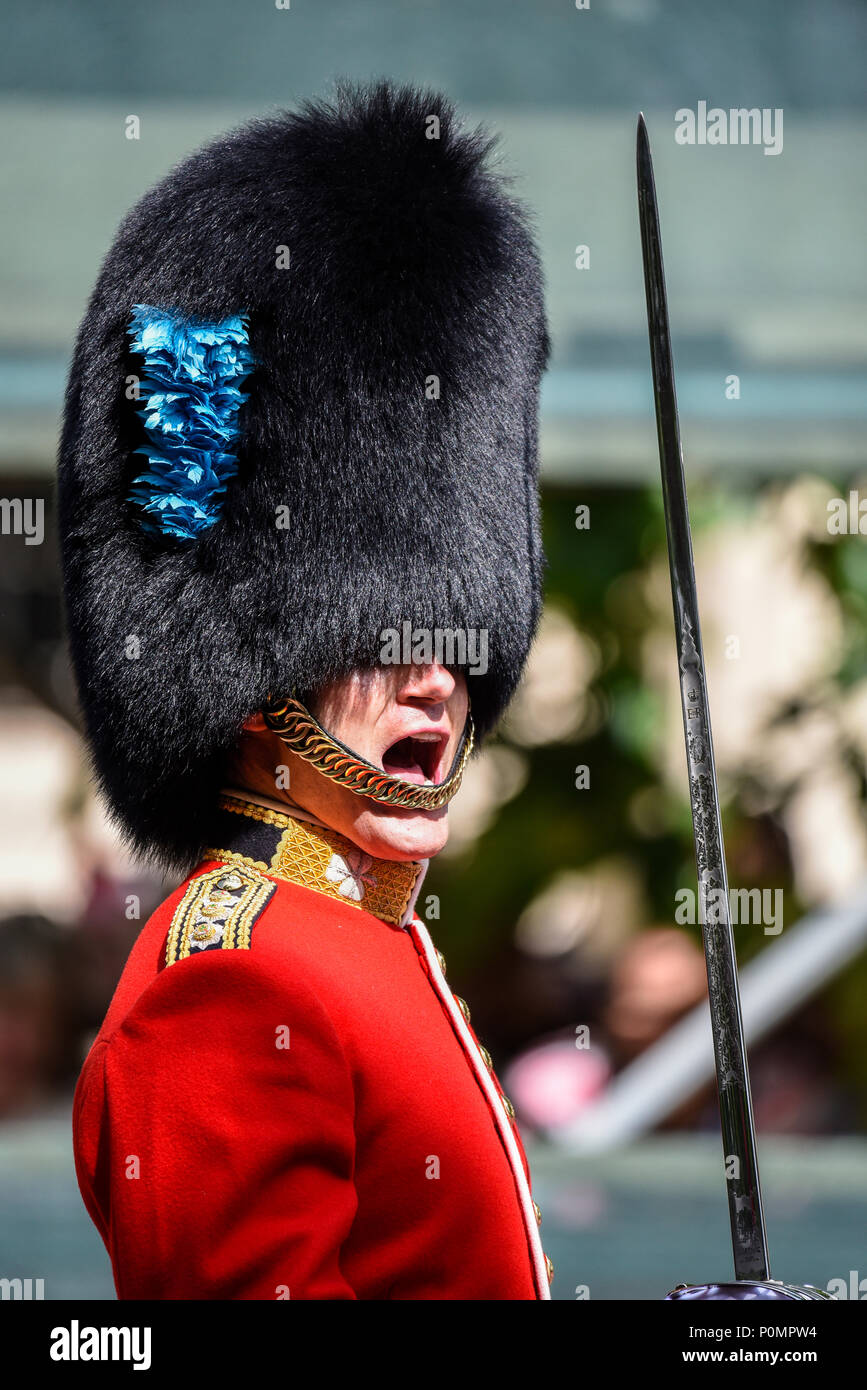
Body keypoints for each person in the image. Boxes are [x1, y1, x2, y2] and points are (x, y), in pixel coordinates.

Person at [61, 79, 553, 1299]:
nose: (440, 677)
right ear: (248, 682)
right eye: (380, 636)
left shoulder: (363, 940)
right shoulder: (235, 981)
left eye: (454, 632)